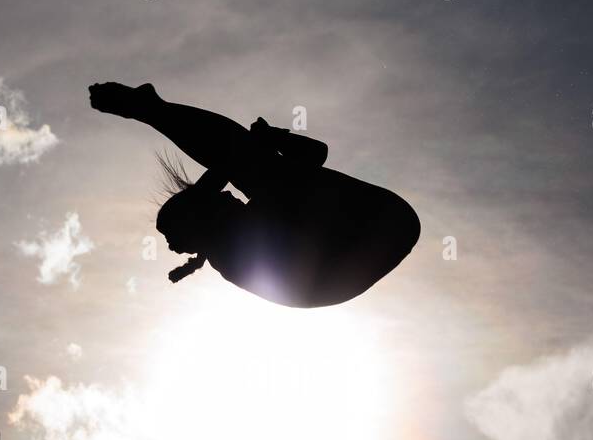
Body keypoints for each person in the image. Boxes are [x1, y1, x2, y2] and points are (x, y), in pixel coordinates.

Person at [89, 82, 420, 308]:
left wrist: (273, 140)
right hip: (373, 230)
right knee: (251, 165)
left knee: (252, 166)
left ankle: (153, 108)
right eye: (222, 199)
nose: (230, 195)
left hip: (369, 233)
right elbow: (236, 164)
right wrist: (152, 112)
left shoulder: (242, 235)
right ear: (209, 219)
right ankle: (153, 108)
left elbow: (314, 153)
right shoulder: (238, 249)